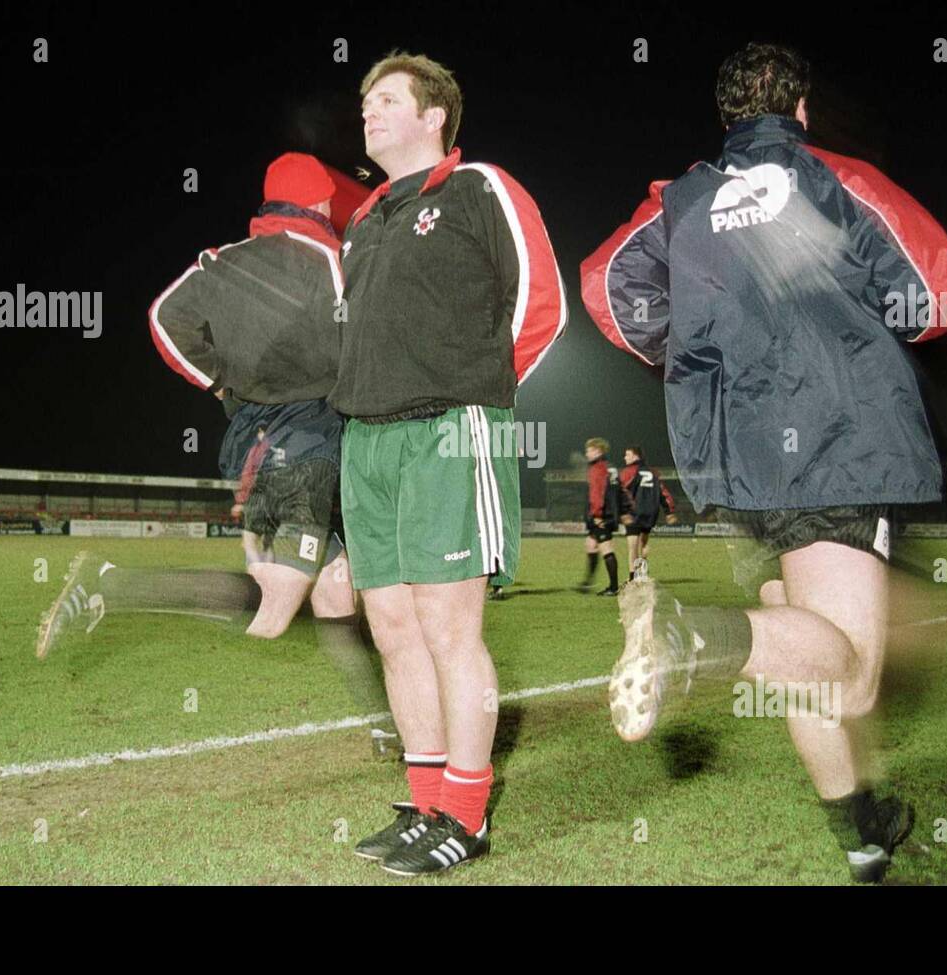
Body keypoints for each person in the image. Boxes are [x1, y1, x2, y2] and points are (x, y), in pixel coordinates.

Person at [580, 42, 947, 881]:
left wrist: (687, 340)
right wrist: (857, 317)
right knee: (854, 677)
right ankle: (690, 641)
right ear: (800, 109)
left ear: (726, 118)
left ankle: (864, 833)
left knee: (805, 667)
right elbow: (936, 289)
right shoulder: (838, 178)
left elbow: (606, 286)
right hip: (838, 438)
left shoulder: (679, 200)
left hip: (737, 457)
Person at [36, 154, 398, 757]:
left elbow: (162, 318)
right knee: (274, 610)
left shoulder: (222, 262)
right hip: (309, 443)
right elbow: (365, 350)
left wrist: (218, 381)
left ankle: (388, 726)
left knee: (336, 587)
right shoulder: (334, 264)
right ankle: (113, 585)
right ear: (315, 205)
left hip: (252, 446)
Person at [330, 51, 566, 875]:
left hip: (451, 430)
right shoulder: (362, 221)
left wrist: (479, 399)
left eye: (386, 99)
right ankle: (423, 802)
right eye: (365, 103)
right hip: (366, 440)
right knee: (393, 632)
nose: (369, 112)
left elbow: (541, 303)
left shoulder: (478, 189)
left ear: (434, 116)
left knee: (448, 629)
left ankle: (464, 816)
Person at [617, 445, 677, 581]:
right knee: (643, 543)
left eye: (627, 454)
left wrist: (619, 510)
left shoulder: (628, 471)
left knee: (632, 545)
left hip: (634, 512)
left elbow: (620, 490)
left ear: (635, 456)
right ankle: (642, 573)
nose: (625, 457)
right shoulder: (653, 472)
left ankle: (633, 577)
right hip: (650, 513)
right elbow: (663, 492)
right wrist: (669, 511)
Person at [577, 438, 623, 596]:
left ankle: (613, 587)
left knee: (606, 548)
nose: (586, 453)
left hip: (602, 515)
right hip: (609, 513)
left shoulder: (598, 468)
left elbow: (597, 494)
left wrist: (597, 515)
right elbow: (618, 491)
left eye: (589, 450)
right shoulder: (611, 468)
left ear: (598, 451)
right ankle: (588, 582)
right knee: (590, 545)